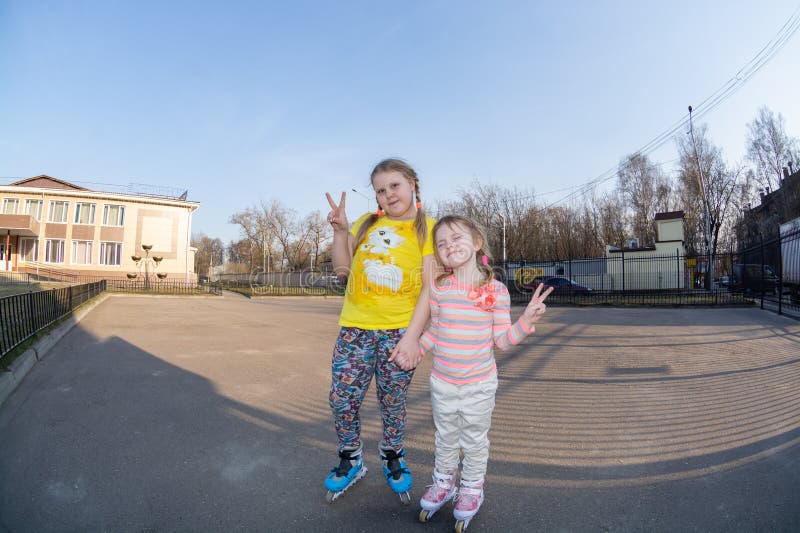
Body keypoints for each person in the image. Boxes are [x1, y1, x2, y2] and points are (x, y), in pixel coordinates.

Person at [417, 215, 552, 529]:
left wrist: (526, 322)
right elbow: (434, 331)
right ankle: (443, 483)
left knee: (474, 440)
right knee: (446, 438)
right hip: (442, 382)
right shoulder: (439, 289)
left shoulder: (497, 291)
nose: (449, 246)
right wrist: (415, 349)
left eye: (457, 238)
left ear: (476, 242)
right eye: (442, 243)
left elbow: (502, 341)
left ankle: (472, 487)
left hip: (478, 384)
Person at [322, 158, 436, 504]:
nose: (388, 194)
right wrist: (341, 232)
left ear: (412, 183)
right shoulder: (367, 222)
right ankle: (351, 457)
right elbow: (343, 270)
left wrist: (412, 337)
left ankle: (392, 453)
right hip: (355, 330)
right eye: (380, 190)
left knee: (393, 402)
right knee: (342, 400)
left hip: (398, 333)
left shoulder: (428, 229)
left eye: (395, 186)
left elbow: (431, 289)